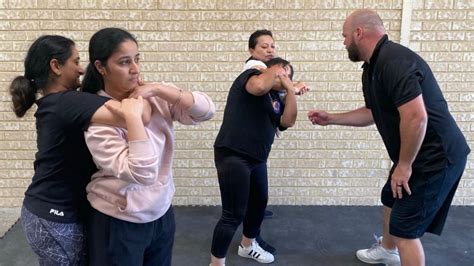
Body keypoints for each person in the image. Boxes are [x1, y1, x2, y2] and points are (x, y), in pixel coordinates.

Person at [308, 9, 470, 266]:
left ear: (359, 33)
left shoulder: (394, 61)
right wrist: (332, 119)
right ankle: (387, 250)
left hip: (438, 156)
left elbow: (417, 117)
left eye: (345, 36)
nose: (343, 42)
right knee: (391, 198)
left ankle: (396, 247)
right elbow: (373, 112)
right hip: (419, 152)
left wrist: (404, 166)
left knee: (405, 229)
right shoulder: (372, 67)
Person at [81, 27, 215, 266]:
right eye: (124, 62)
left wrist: (158, 89)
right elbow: (142, 173)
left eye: (137, 59)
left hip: (161, 213)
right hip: (118, 219)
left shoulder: (152, 94)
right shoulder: (98, 114)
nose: (135, 69)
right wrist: (133, 117)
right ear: (101, 67)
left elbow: (206, 111)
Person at [9, 35, 136, 265]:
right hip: (52, 217)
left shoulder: (55, 102)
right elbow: (135, 116)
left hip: (43, 212)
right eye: (76, 62)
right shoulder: (67, 102)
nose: (80, 70)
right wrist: (151, 91)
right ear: (56, 66)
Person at [210, 57, 305, 265]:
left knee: (258, 204)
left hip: (257, 159)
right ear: (270, 71)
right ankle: (216, 262)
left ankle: (248, 245)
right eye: (281, 73)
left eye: (288, 76)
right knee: (233, 214)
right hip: (233, 154)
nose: (284, 78)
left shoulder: (275, 98)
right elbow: (261, 85)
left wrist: (290, 91)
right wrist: (275, 70)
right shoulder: (251, 78)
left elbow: (287, 121)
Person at [243, 29, 310, 255]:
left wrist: (290, 88)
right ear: (252, 51)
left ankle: (251, 237)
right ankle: (248, 242)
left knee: (258, 198)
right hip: (241, 149)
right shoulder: (253, 69)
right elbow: (265, 85)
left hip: (257, 148)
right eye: (264, 46)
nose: (270, 49)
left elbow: (284, 118)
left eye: (272, 46)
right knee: (245, 204)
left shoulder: (270, 75)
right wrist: (291, 84)